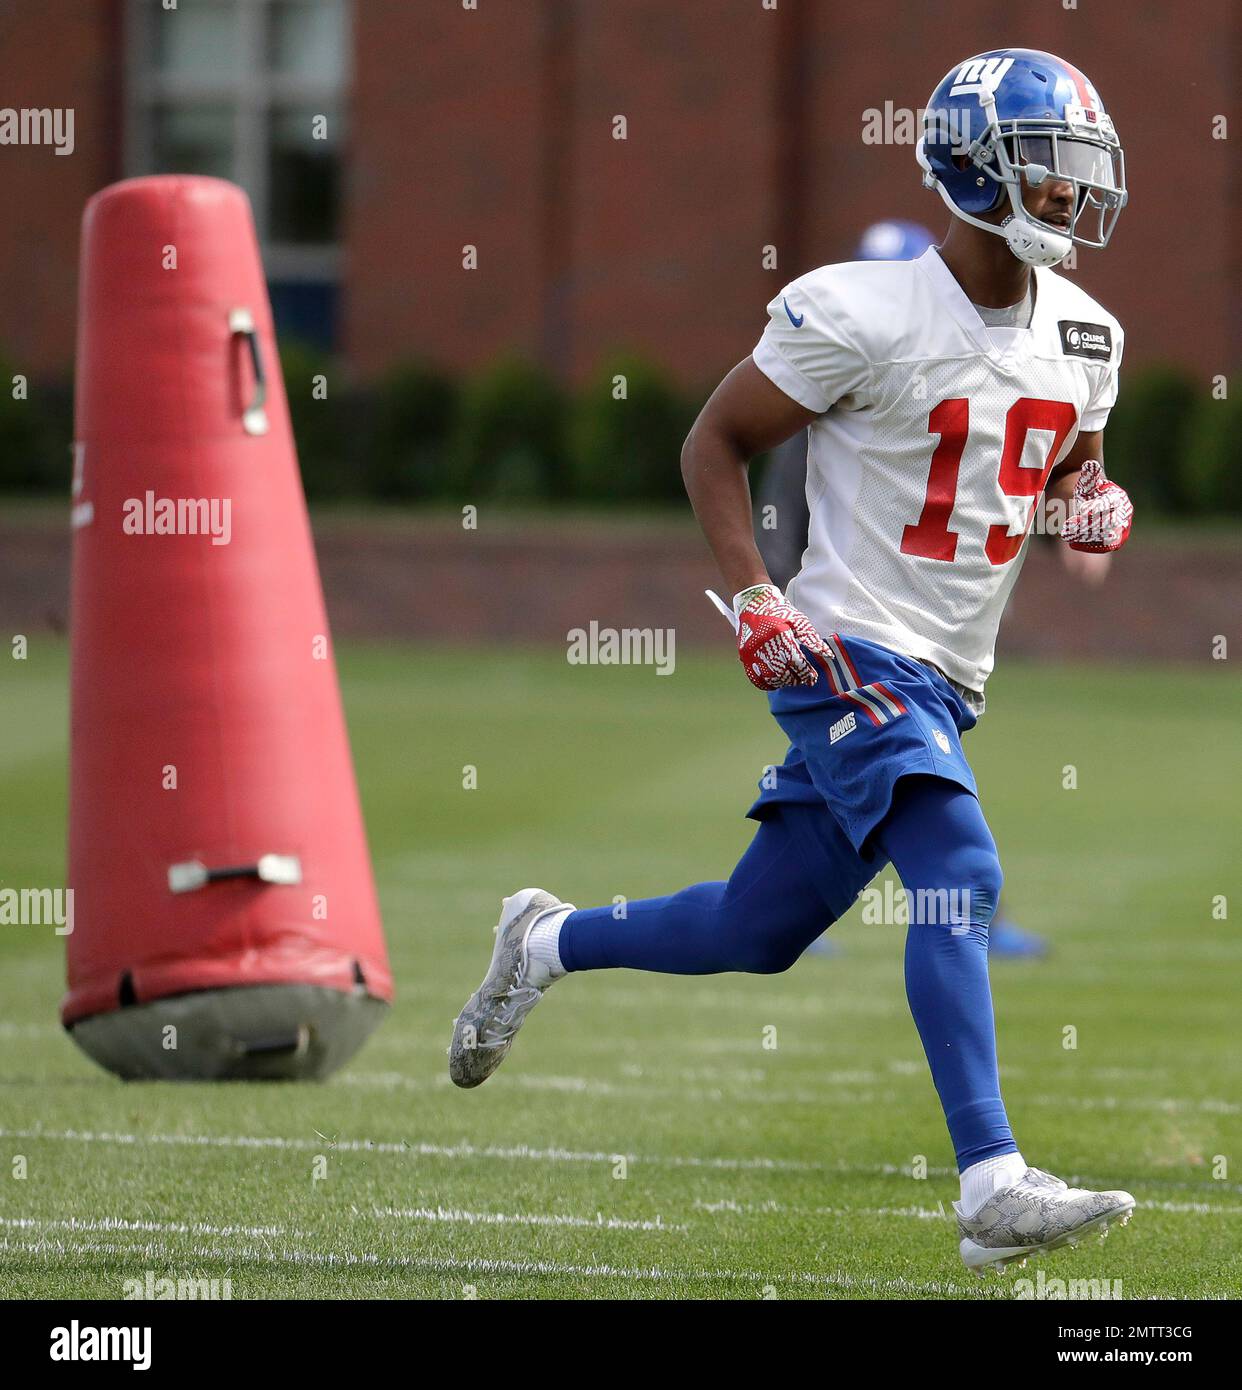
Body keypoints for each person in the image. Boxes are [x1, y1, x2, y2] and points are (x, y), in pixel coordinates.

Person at [449, 49, 1137, 1274]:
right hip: (852, 644)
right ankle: (990, 1181)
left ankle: (543, 940)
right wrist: (758, 598)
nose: (1077, 200)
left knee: (757, 928)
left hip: (949, 674)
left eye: (1082, 176)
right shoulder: (863, 309)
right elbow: (715, 440)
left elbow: (1065, 470)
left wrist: (1091, 501)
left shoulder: (1088, 334)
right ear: (979, 174)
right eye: (1051, 173)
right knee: (958, 867)